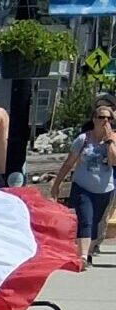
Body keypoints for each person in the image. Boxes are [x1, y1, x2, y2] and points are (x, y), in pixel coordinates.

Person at [51, 102, 116, 263]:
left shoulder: (114, 139)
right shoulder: (83, 139)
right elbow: (68, 163)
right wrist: (57, 183)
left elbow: (113, 162)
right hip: (83, 187)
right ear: (94, 119)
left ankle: (88, 252)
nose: (105, 121)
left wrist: (109, 142)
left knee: (96, 223)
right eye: (101, 117)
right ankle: (83, 256)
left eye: (109, 118)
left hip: (105, 189)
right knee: (86, 219)